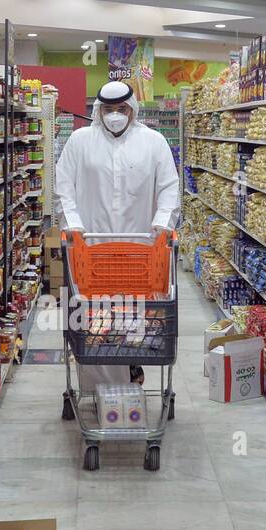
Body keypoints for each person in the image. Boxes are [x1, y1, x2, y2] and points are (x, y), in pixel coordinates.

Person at [55, 80, 180, 393]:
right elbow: (63, 187)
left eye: (121, 109)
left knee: (131, 320)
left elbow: (169, 187)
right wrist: (71, 224)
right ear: (99, 110)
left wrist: (163, 223)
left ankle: (128, 384)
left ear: (132, 109)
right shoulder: (79, 141)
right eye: (108, 109)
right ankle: (99, 393)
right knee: (93, 323)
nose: (115, 115)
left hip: (140, 253)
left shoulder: (153, 142)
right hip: (90, 252)